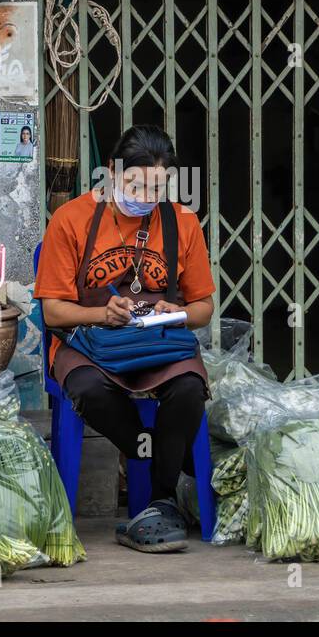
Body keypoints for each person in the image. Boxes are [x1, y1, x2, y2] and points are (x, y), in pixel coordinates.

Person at [35, 125, 214, 552]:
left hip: (155, 344)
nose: (146, 195)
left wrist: (180, 313)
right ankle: (149, 454)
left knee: (189, 388)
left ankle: (161, 500)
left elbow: (205, 307)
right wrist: (103, 313)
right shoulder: (72, 219)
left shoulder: (182, 223)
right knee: (90, 391)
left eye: (157, 186)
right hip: (87, 343)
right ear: (113, 172)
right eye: (136, 184)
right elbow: (53, 311)